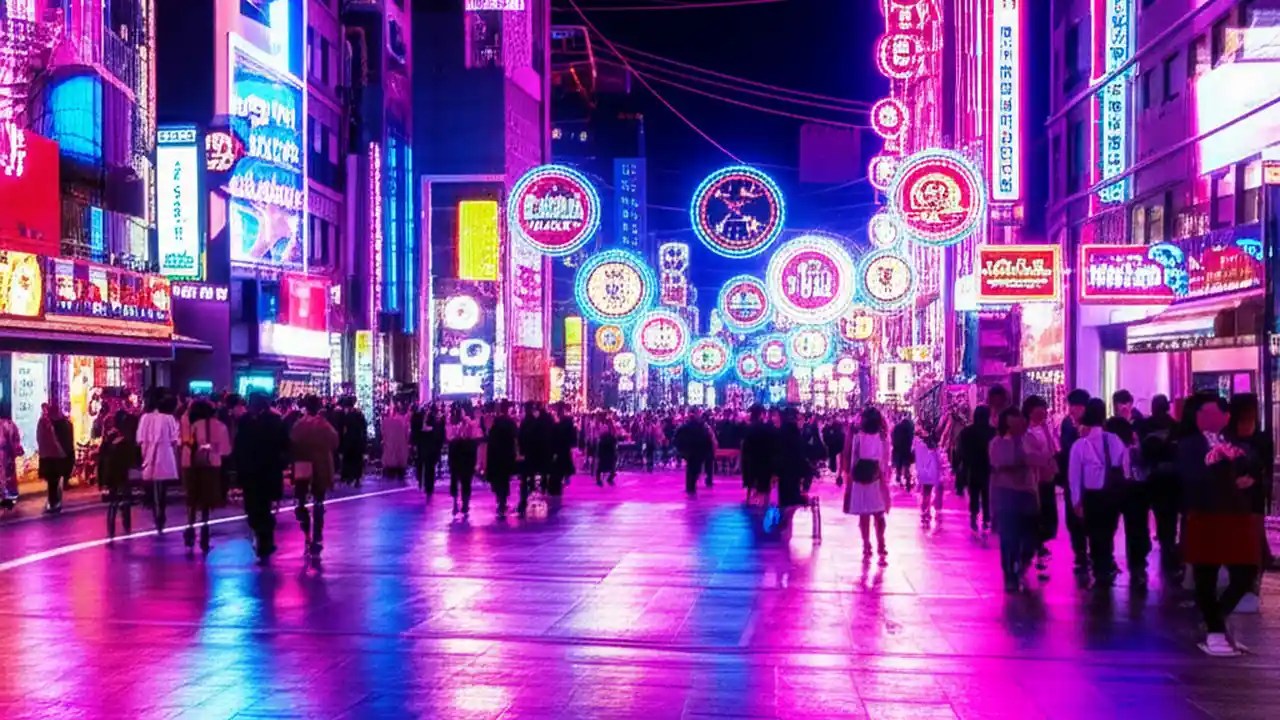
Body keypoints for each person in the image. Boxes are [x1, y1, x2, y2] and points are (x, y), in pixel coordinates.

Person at [1178, 393, 1264, 656]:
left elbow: (1250, 465)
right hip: (1206, 515)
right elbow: (1191, 477)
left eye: (1216, 412)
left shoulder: (1234, 442)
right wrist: (1224, 478)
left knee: (1246, 572)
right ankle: (1215, 630)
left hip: (1235, 516)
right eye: (1205, 412)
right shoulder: (1189, 444)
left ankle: (1215, 618)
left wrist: (1247, 478)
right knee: (1207, 574)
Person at [1068, 398, 1130, 587]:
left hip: (1091, 497)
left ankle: (1099, 568)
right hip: (1111, 495)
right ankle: (1105, 564)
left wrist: (1076, 501)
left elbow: (1074, 476)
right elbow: (1125, 467)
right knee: (1108, 531)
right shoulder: (1114, 440)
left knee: (1094, 534)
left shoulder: (1080, 445)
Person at [990, 407, 1050, 592]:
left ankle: (1022, 565)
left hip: (1027, 494)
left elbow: (1044, 458)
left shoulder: (1029, 440)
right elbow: (1001, 463)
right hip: (1005, 494)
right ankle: (1010, 573)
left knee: (1029, 537)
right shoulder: (998, 442)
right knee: (1009, 538)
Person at [236, 393, 289, 562]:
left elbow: (283, 444)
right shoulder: (248, 421)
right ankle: (263, 538)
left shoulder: (272, 422)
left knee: (261, 507)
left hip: (264, 470)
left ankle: (265, 541)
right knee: (255, 508)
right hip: (255, 471)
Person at [1107, 391, 1152, 585]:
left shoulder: (1141, 424)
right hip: (1116, 483)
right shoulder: (1110, 426)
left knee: (1137, 527)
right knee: (1110, 525)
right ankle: (1108, 562)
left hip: (1136, 483)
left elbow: (1147, 452)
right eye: (1119, 403)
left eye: (1126, 402)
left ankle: (1138, 565)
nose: (1123, 406)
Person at [288, 395, 339, 557]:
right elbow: (335, 441)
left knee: (301, 499)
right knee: (319, 499)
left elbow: (292, 442)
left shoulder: (299, 425)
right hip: (321, 465)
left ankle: (306, 533)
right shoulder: (324, 425)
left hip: (302, 464)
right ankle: (317, 535)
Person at [842, 406, 892, 564]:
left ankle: (866, 544)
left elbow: (852, 458)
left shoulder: (858, 436)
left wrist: (850, 477)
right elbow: (885, 459)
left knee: (864, 514)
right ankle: (881, 543)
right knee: (879, 513)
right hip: (877, 477)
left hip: (860, 477)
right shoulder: (883, 437)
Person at [180, 400, 231, 553]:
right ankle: (205, 535)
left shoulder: (193, 425)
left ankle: (189, 530)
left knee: (192, 499)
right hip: (212, 467)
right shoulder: (221, 426)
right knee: (206, 502)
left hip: (191, 465)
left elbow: (185, 444)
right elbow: (226, 451)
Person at [1139, 394, 1181, 576]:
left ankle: (1164, 541)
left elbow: (1141, 452)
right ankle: (1169, 544)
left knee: (1157, 511)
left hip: (1153, 477)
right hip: (1172, 478)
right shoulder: (1176, 427)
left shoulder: (1145, 426)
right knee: (1170, 514)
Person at [1022, 395, 1060, 571]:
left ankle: (1039, 545)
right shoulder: (1023, 431)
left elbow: (1053, 449)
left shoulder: (1047, 428)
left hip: (1046, 478)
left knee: (1047, 515)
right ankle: (1034, 549)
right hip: (1031, 481)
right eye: (1040, 409)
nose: (1044, 412)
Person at [138, 394, 181, 533]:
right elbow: (175, 439)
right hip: (165, 455)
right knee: (163, 487)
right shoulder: (169, 418)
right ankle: (160, 513)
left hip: (148, 454)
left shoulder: (145, 418)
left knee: (153, 485)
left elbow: (140, 439)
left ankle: (156, 512)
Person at [1059, 389, 1091, 572]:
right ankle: (1079, 552)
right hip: (1071, 478)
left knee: (1090, 516)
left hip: (1091, 480)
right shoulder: (1067, 424)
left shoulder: (1093, 426)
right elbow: (1066, 449)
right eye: (1070, 406)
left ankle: (1093, 552)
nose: (1072, 410)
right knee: (1073, 516)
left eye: (1076, 407)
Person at [957, 405, 996, 533]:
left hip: (971, 467)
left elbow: (961, 451)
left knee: (973, 493)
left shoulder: (966, 432)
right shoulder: (993, 432)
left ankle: (973, 517)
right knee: (986, 494)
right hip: (987, 467)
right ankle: (986, 519)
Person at [36, 403, 73, 514]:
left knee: (53, 481)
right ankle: (55, 502)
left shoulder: (50, 423)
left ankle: (54, 502)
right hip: (54, 456)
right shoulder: (50, 423)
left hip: (51, 456)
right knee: (54, 481)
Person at [518, 403, 554, 514]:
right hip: (542, 453)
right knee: (543, 473)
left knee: (525, 477)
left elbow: (521, 437)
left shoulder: (526, 422)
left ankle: (524, 498)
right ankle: (543, 489)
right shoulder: (545, 420)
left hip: (529, 453)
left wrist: (521, 451)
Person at [446, 404, 481, 517]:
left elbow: (449, 438)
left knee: (458, 479)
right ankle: (462, 503)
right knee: (464, 480)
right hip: (464, 453)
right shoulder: (457, 425)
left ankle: (458, 503)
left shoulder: (455, 425)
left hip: (459, 453)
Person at [486, 401, 519, 518]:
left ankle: (500, 501)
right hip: (507, 455)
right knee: (504, 479)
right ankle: (502, 501)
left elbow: (490, 440)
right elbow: (516, 438)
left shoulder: (495, 423)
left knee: (498, 479)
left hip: (496, 455)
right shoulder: (510, 423)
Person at [675, 410, 714, 496]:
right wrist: (706, 451)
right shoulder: (701, 427)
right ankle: (692, 485)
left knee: (690, 469)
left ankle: (690, 486)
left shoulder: (685, 427)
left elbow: (677, 438)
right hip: (698, 452)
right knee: (696, 469)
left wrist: (681, 450)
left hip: (689, 451)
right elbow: (707, 439)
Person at [741, 405, 775, 502]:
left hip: (750, 459)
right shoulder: (766, 428)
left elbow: (745, 445)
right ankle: (764, 502)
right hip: (763, 459)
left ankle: (748, 499)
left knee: (750, 482)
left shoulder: (748, 428)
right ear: (761, 414)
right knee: (764, 483)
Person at [548, 403, 576, 508]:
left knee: (556, 475)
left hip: (557, 453)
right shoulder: (568, 427)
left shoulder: (556, 427)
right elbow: (573, 440)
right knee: (561, 473)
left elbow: (553, 440)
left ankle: (556, 495)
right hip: (565, 452)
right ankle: (560, 489)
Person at [914, 429, 943, 527]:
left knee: (925, 493)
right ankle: (927, 511)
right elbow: (938, 464)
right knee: (929, 493)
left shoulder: (922, 450)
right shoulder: (935, 452)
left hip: (924, 475)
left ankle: (924, 511)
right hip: (932, 475)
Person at [337, 397, 368, 486]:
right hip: (358, 441)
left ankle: (349, 478)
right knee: (357, 460)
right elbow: (363, 428)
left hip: (348, 441)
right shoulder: (359, 414)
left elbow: (342, 430)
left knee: (348, 460)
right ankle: (357, 478)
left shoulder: (345, 416)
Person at [0, 404, 23, 510]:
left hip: (4, 454)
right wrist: (16, 450)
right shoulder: (10, 424)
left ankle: (5, 497)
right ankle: (9, 498)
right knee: (8, 476)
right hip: (8, 455)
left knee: (3, 476)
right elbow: (16, 439)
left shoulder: (5, 424)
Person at [381, 402, 412, 480]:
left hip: (390, 450)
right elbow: (407, 434)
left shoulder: (386, 422)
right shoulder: (403, 421)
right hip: (400, 450)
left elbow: (383, 434)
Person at [890, 413, 915, 489]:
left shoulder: (896, 427)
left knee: (899, 465)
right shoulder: (910, 428)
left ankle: (899, 477)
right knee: (906, 465)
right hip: (906, 449)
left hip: (897, 449)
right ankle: (907, 480)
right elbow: (911, 438)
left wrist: (894, 444)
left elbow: (892, 437)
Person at [595, 416, 619, 487]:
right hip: (606, 451)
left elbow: (614, 440)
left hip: (609, 451)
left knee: (610, 467)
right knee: (602, 467)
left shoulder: (610, 431)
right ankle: (601, 480)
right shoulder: (605, 430)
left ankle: (607, 479)